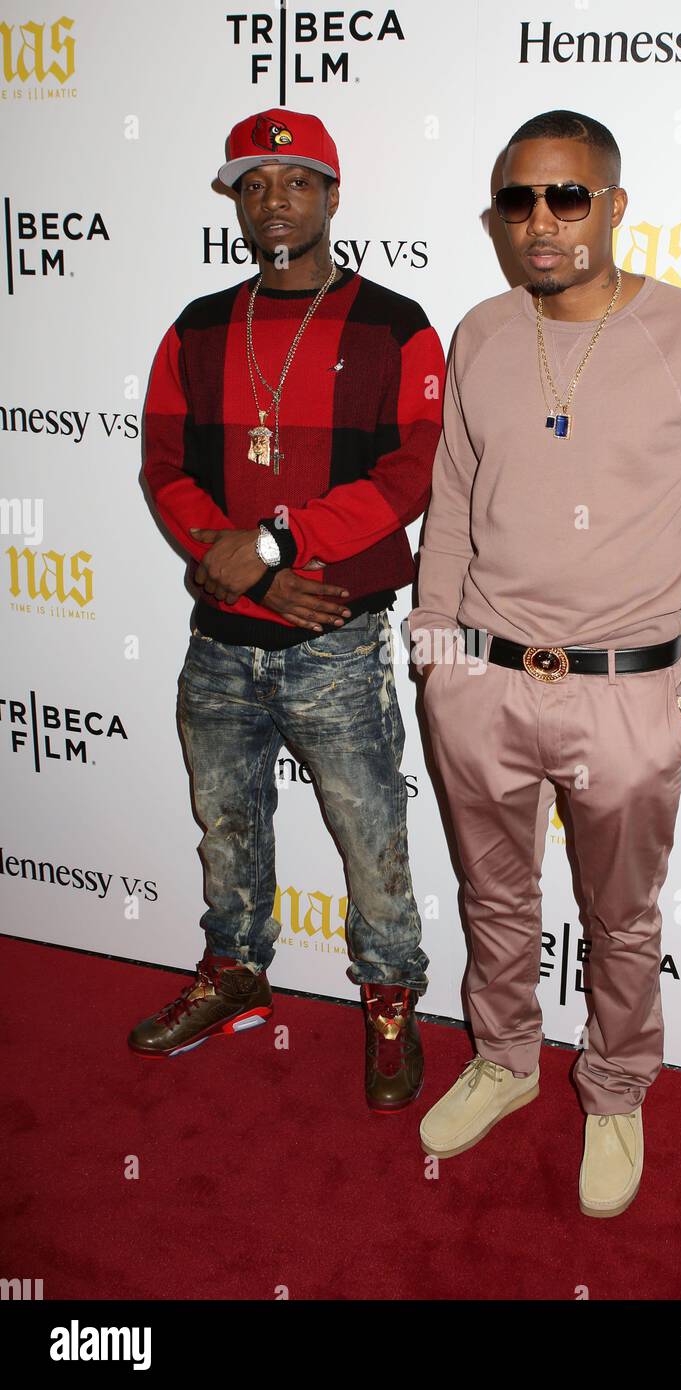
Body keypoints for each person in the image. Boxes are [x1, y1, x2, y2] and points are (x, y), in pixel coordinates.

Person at [408, 109, 681, 1214]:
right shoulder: (480, 331)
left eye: (565, 197)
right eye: (517, 200)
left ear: (614, 207)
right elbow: (451, 507)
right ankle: (505, 1059)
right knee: (492, 893)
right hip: (480, 681)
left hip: (629, 694)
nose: (540, 221)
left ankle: (614, 1089)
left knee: (620, 918)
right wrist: (438, 658)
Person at [131, 107, 445, 1114]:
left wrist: (273, 545)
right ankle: (235, 971)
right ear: (233, 201)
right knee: (225, 823)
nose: (275, 200)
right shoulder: (197, 326)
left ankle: (390, 997)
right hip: (222, 639)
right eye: (253, 184)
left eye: (295, 181)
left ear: (332, 194)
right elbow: (165, 468)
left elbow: (411, 472)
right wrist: (249, 574)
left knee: (369, 831)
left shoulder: (395, 324)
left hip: (336, 641)